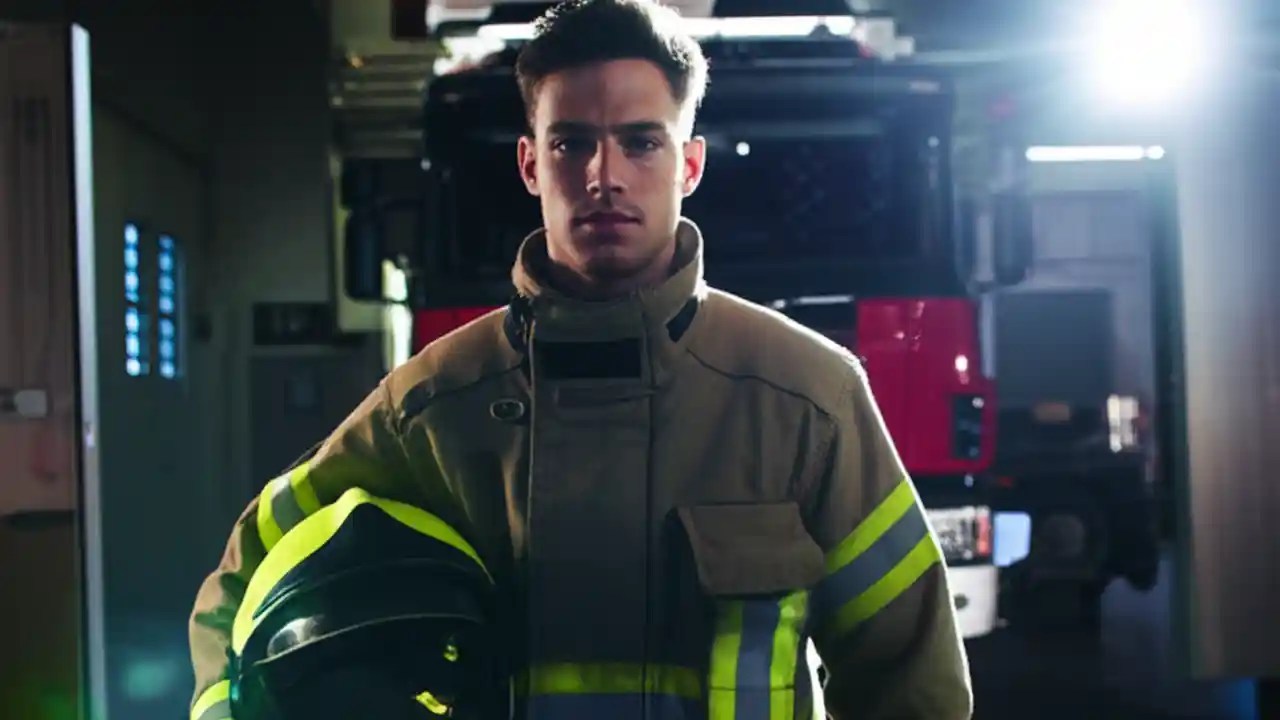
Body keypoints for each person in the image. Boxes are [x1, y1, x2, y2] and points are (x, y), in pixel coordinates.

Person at [187, 1, 974, 718]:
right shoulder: (434, 404)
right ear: (531, 164)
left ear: (688, 165)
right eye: (573, 144)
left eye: (640, 142)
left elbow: (912, 678)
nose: (604, 177)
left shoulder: (807, 398)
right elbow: (242, 580)